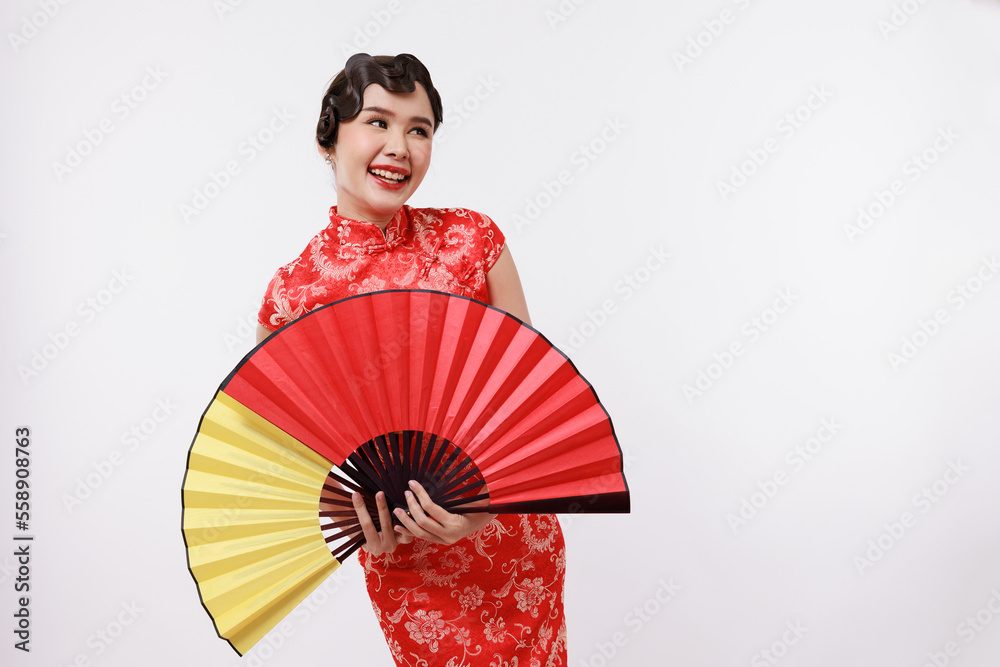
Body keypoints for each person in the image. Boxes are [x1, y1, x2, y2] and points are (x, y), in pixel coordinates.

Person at [255, 53, 567, 667]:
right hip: (410, 567)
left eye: (418, 130)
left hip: (514, 539)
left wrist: (482, 512)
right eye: (377, 122)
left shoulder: (473, 240)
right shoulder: (293, 297)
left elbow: (533, 397)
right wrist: (352, 513)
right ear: (328, 137)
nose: (400, 146)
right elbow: (297, 456)